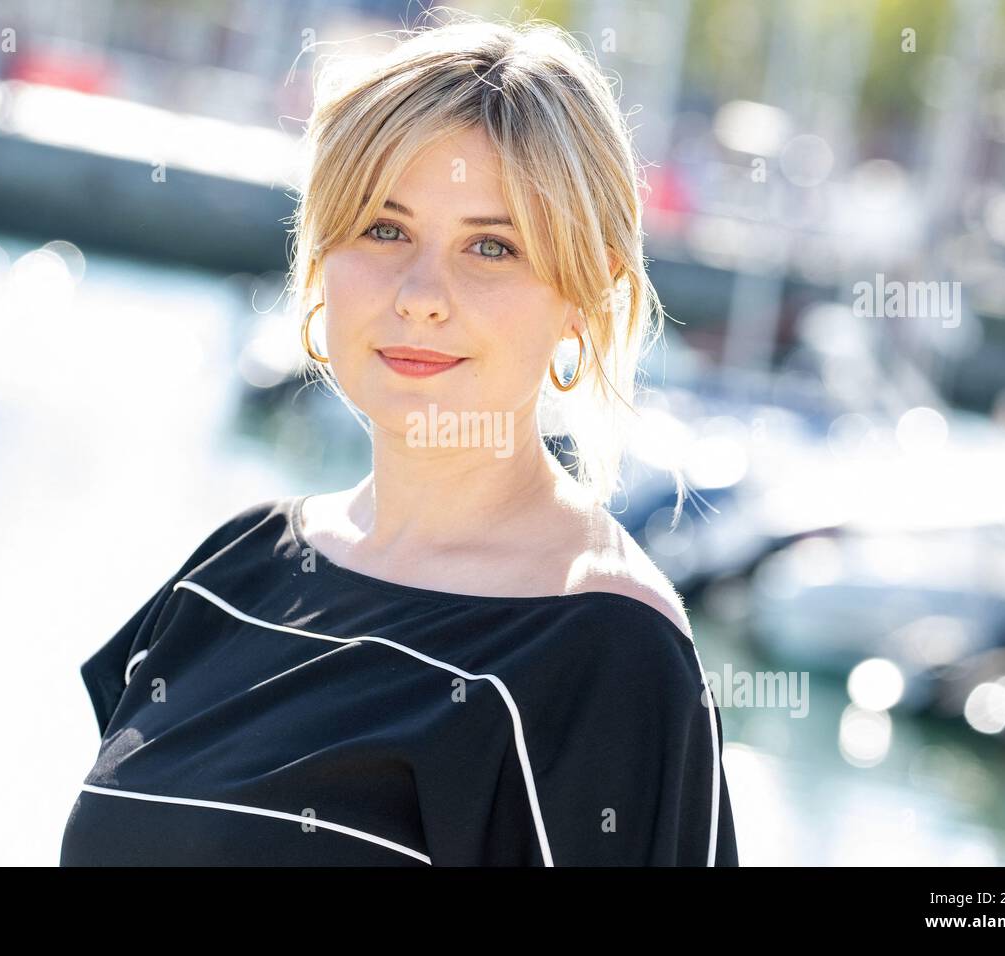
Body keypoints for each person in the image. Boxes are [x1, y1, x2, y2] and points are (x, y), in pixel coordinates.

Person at [60, 11, 738, 867]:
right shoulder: (230, 574)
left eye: (491, 247)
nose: (421, 293)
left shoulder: (605, 655)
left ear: (584, 298)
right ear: (320, 257)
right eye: (385, 229)